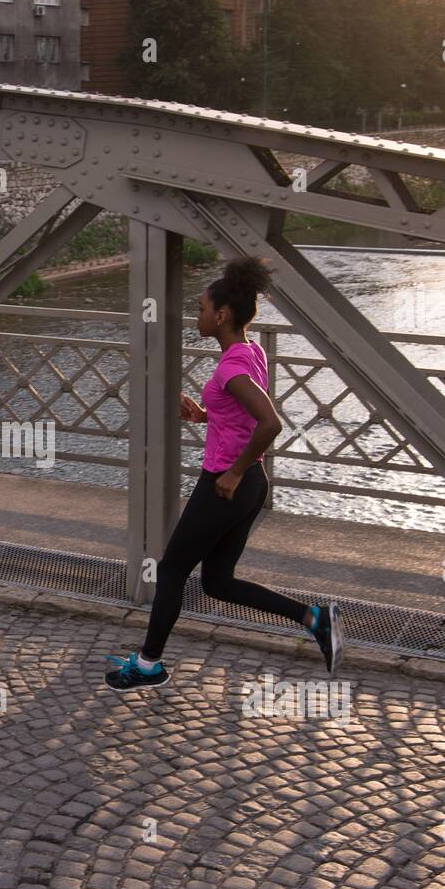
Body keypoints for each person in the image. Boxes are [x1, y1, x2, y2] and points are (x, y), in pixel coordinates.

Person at [105, 256, 343, 692]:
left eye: (201, 309)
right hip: (251, 484)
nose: (196, 315)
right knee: (216, 582)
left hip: (226, 486)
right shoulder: (250, 352)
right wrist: (203, 414)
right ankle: (313, 618)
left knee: (171, 570)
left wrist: (232, 473)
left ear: (222, 315)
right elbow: (243, 418)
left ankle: (149, 664)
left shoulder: (230, 368)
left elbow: (269, 424)